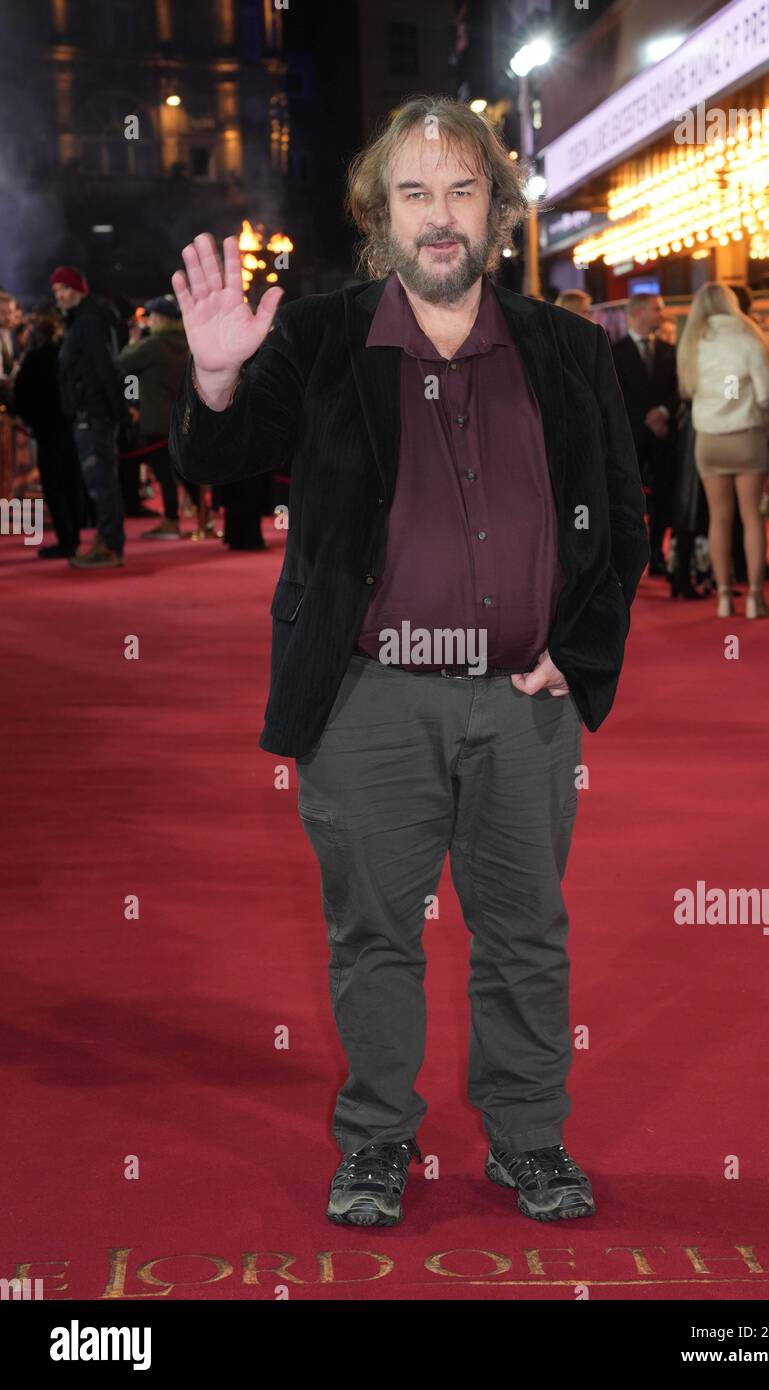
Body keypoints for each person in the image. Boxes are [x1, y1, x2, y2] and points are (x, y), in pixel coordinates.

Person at [169, 95, 648, 1228]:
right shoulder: (326, 339)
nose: (441, 218)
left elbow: (621, 524)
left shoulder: (567, 350)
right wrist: (217, 379)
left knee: (524, 933)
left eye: (462, 190)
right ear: (381, 218)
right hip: (368, 701)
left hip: (521, 702)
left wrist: (572, 655)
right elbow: (221, 462)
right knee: (373, 935)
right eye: (415, 195)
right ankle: (377, 1137)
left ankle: (528, 1138)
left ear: (497, 210)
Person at [677, 281, 769, 618]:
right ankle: (754, 597)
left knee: (718, 518)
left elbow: (688, 390)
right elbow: (767, 394)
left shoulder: (692, 341)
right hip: (746, 435)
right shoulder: (749, 336)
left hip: (708, 438)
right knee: (752, 517)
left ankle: (723, 598)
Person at [50, 265, 128, 568]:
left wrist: (116, 411)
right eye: (56, 291)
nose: (61, 296)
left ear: (80, 289)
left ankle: (109, 546)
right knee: (102, 481)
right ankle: (106, 540)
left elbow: (104, 368)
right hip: (92, 413)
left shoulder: (89, 321)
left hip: (93, 415)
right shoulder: (84, 320)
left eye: (65, 289)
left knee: (101, 483)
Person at [119, 294, 209, 539]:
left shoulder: (153, 346)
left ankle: (171, 520)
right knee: (184, 471)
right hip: (183, 418)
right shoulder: (188, 344)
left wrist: (131, 341)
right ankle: (204, 517)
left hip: (157, 420)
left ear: (160, 319)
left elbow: (123, 363)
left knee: (164, 474)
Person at [611, 292, 679, 574]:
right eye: (656, 309)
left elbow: (678, 388)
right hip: (631, 439)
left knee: (665, 496)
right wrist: (644, 420)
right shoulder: (615, 350)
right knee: (629, 500)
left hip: (664, 437)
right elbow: (615, 395)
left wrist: (663, 412)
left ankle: (658, 553)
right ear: (638, 312)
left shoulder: (667, 350)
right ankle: (631, 555)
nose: (661, 315)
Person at [12, 312, 83, 558]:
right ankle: (75, 532)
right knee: (71, 481)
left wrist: (23, 415)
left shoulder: (35, 359)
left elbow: (21, 395)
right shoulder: (66, 354)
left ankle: (67, 539)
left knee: (55, 485)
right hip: (69, 426)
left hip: (47, 429)